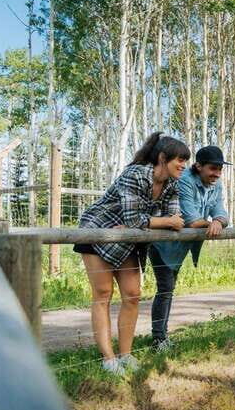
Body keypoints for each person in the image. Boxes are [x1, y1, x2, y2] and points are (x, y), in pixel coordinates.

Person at [75, 133, 189, 375]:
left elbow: (177, 221)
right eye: (180, 160)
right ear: (162, 158)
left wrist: (151, 223)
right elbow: (137, 218)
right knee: (103, 293)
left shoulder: (172, 185)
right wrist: (160, 221)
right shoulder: (135, 174)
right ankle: (108, 358)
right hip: (98, 231)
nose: (183, 165)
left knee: (133, 294)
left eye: (185, 161)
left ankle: (126, 355)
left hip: (128, 240)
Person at [149, 145, 230, 351]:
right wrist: (210, 223)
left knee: (169, 288)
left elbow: (221, 212)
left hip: (181, 246)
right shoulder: (184, 181)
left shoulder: (215, 185)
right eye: (213, 168)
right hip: (163, 244)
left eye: (220, 169)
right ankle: (159, 340)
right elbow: (192, 219)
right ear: (198, 166)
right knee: (165, 289)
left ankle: (161, 336)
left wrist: (218, 221)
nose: (217, 174)